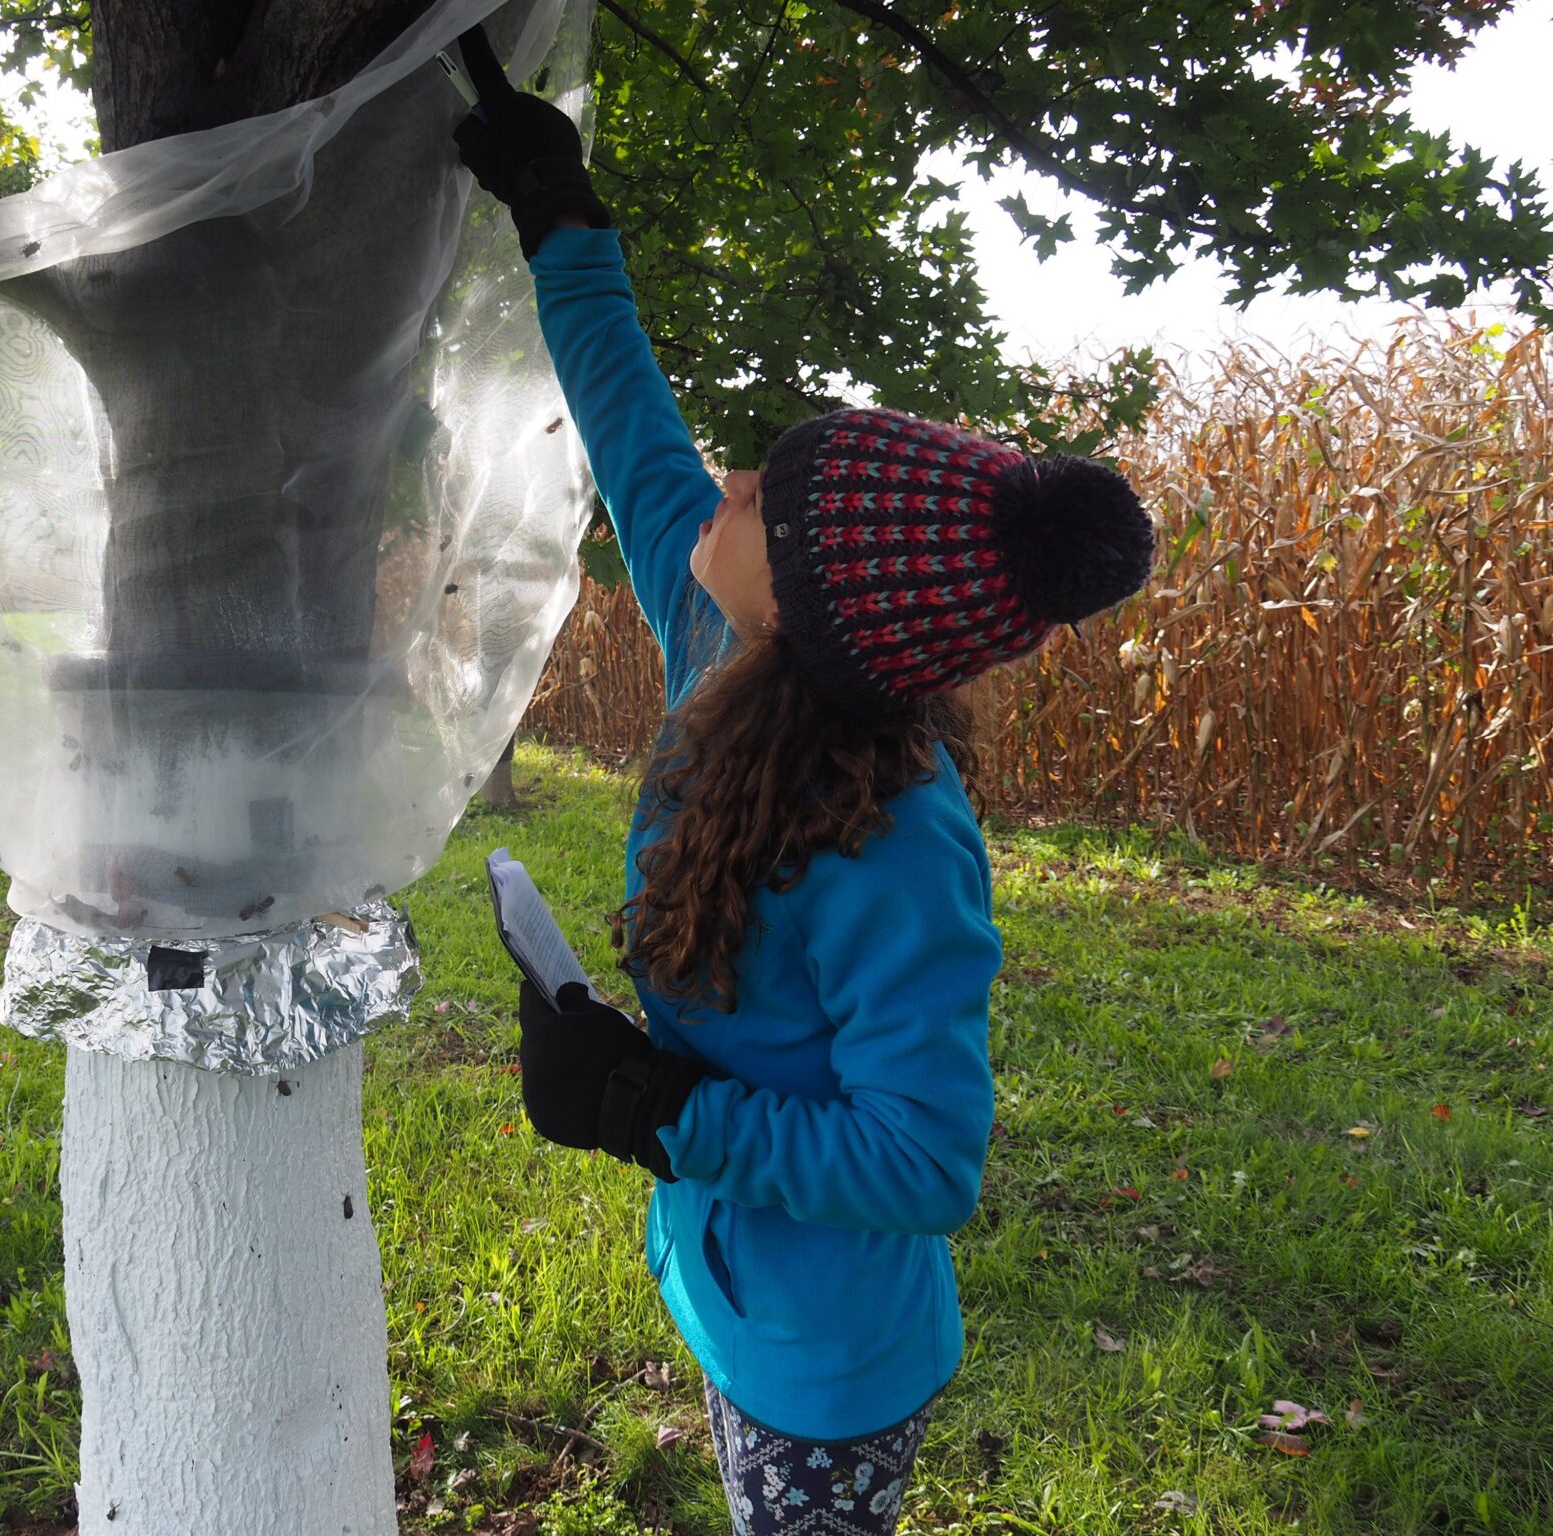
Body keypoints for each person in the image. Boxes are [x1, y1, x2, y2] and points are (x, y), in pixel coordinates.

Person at [451, 30, 1155, 1536]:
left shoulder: (899, 848)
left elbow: (923, 1161)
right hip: (738, 1285)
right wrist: (564, 226)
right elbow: (635, 435)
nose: (735, 490)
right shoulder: (721, 641)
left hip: (831, 1357)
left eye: (769, 500)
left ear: (818, 608)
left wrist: (664, 1110)